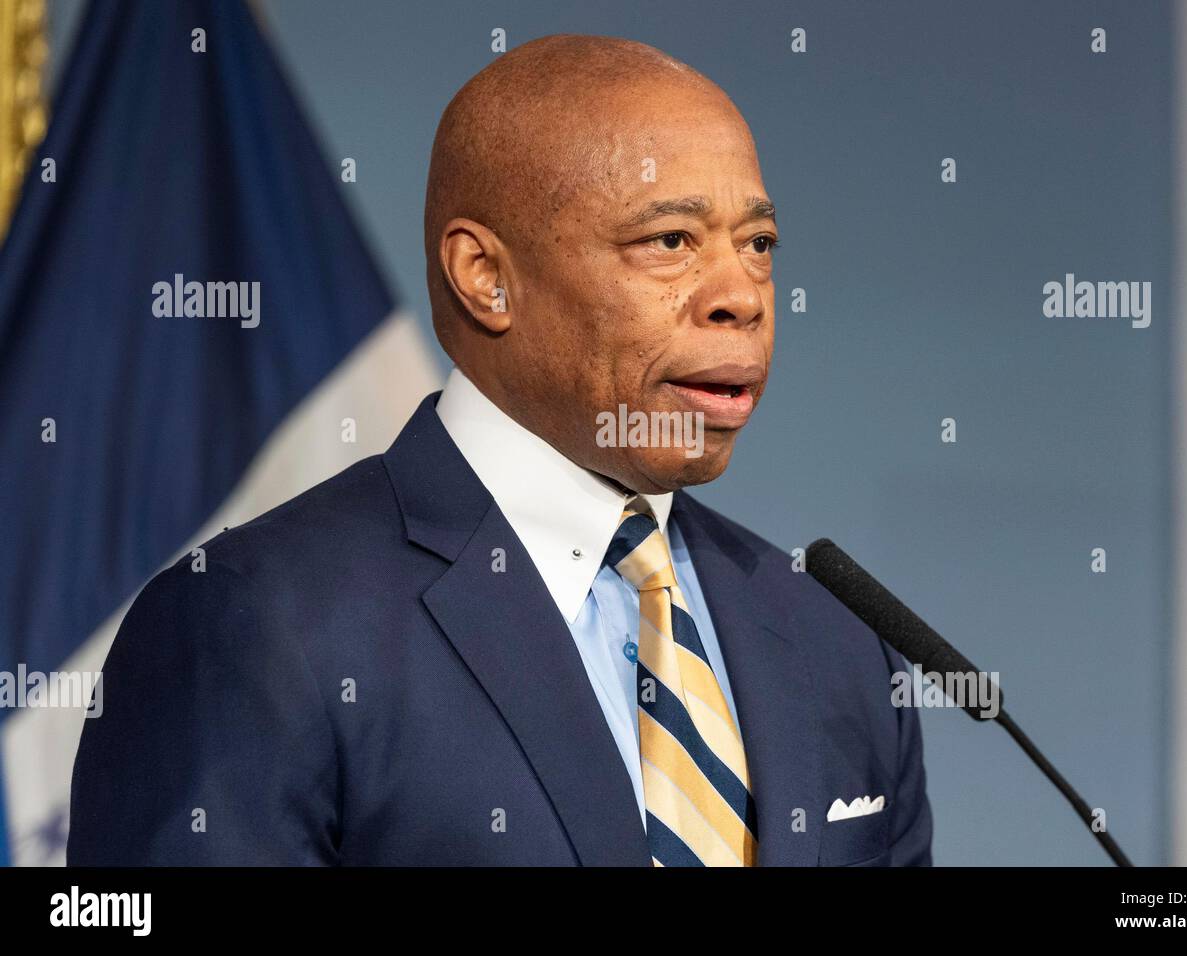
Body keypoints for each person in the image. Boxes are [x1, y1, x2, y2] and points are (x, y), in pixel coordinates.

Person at [68, 34, 932, 867]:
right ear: (486, 277)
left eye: (759, 246)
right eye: (670, 241)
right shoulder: (258, 626)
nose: (741, 295)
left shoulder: (836, 646)